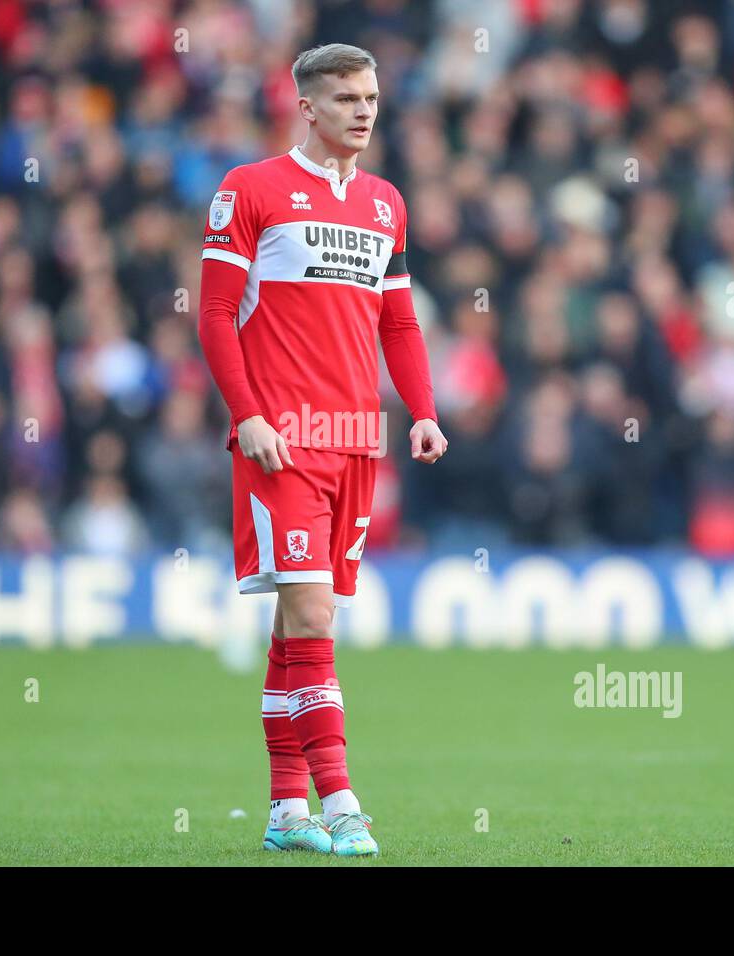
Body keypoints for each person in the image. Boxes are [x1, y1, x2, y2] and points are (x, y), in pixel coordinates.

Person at [198, 43, 447, 856]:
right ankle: (340, 801)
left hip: (354, 442)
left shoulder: (385, 204)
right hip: (281, 442)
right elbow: (215, 315)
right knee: (314, 616)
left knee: (296, 627)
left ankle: (284, 812)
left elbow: (399, 321)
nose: (365, 111)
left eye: (371, 97)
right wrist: (250, 416)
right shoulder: (250, 189)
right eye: (346, 99)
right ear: (306, 106)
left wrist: (422, 410)